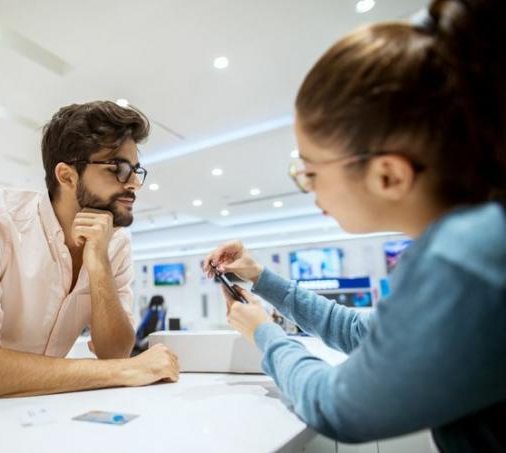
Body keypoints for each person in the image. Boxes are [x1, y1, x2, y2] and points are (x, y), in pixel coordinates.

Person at [204, 0, 505, 451]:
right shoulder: (474, 238)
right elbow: (359, 333)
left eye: (311, 171)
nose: (310, 188)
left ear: (388, 175)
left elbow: (337, 406)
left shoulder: (465, 260)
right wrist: (260, 278)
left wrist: (262, 333)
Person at [0, 101, 178, 401]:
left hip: (24, 406)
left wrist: (99, 264)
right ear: (66, 176)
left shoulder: (115, 241)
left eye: (136, 170)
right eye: (118, 168)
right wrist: (125, 371)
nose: (134, 184)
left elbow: (114, 351)